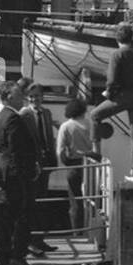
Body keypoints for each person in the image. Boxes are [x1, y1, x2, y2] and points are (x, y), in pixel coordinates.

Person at [0, 84, 38, 265]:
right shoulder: (12, 118)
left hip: (6, 170)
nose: (23, 98)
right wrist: (28, 171)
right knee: (19, 216)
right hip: (15, 173)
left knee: (8, 216)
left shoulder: (0, 116)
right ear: (8, 96)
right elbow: (17, 149)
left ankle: (4, 256)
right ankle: (14, 257)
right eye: (19, 95)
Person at [90, 24, 133, 160]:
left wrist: (109, 94)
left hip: (123, 96)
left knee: (95, 115)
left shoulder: (117, 54)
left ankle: (96, 152)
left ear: (117, 39)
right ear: (132, 38)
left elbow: (112, 80)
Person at [19, 84, 58, 255]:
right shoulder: (24, 114)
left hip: (45, 163)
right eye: (32, 97)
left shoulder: (47, 113)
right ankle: (29, 241)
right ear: (28, 98)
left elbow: (49, 137)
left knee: (43, 202)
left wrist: (52, 160)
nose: (35, 99)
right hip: (31, 164)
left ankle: (39, 239)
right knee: (31, 202)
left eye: (38, 96)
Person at [56, 97, 95, 230]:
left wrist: (67, 163)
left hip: (74, 164)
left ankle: (77, 231)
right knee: (93, 197)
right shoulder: (90, 124)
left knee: (75, 201)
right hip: (91, 165)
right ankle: (92, 229)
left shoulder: (66, 126)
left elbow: (60, 150)